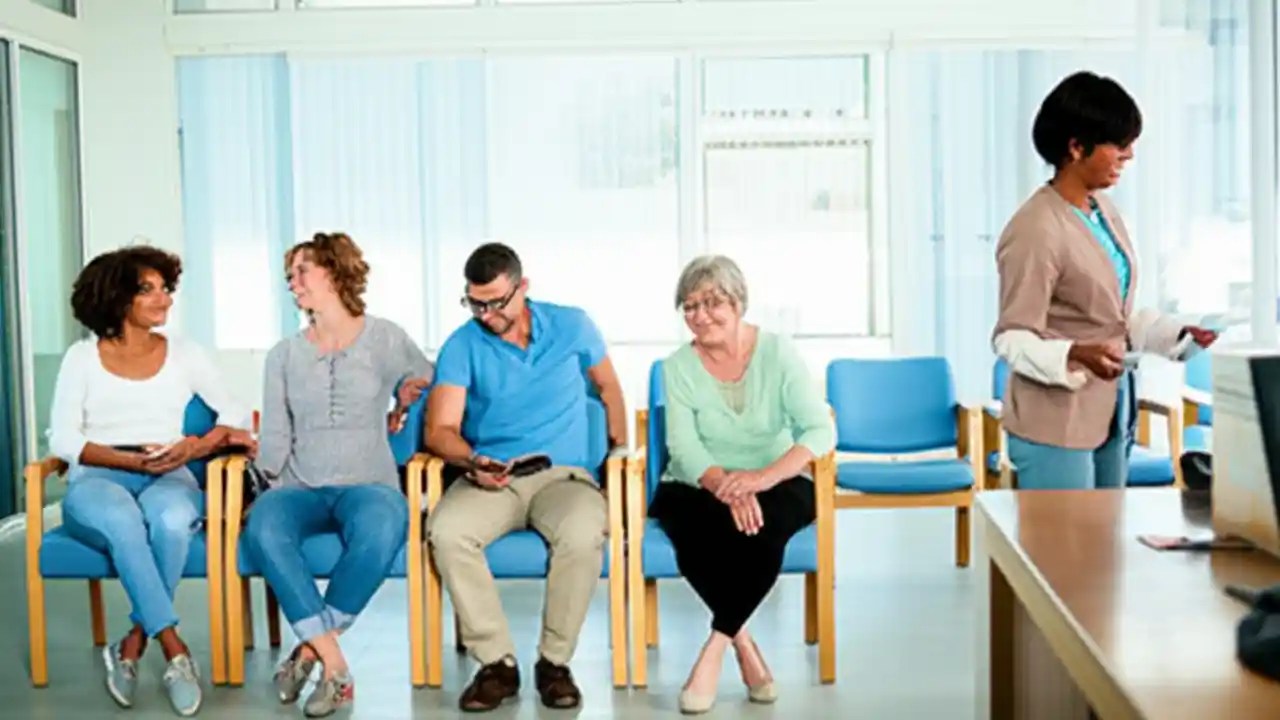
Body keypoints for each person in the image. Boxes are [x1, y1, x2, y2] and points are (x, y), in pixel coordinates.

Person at [49, 245, 253, 717]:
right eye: (148, 290)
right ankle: (174, 648)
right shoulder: (82, 358)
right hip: (99, 474)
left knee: (174, 516)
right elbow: (62, 438)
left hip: (168, 468)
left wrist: (193, 447)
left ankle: (132, 644)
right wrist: (130, 464)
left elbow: (233, 412)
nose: (163, 299)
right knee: (122, 521)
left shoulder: (185, 353)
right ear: (118, 299)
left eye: (165, 289)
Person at [425, 242, 627, 713]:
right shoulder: (462, 345)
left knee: (581, 533)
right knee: (448, 532)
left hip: (562, 477)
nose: (486, 313)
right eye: (476, 302)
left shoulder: (572, 325)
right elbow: (440, 430)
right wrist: (474, 462)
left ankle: (553, 664)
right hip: (492, 474)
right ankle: (497, 663)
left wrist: (617, 450)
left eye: (497, 302)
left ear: (524, 288)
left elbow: (609, 386)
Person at [993, 71, 1218, 490]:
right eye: (1118, 144)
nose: (1128, 155)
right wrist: (1074, 353)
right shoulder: (1035, 229)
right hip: (1055, 421)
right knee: (1061, 552)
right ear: (1076, 147)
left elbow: (1110, 313)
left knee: (1104, 549)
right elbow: (1011, 337)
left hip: (1111, 410)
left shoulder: (1103, 211)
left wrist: (1172, 333)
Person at [243, 232, 434, 719]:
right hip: (299, 485)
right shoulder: (282, 355)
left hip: (369, 482)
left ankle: (307, 651)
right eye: (289, 276)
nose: (293, 284)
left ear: (335, 272)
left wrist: (405, 401)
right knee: (264, 525)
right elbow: (276, 436)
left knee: (385, 524)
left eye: (302, 272)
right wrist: (257, 483)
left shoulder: (385, 337)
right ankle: (335, 666)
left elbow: (428, 378)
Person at [649, 255, 833, 714]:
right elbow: (684, 448)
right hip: (697, 483)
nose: (700, 316)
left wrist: (759, 479)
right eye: (689, 306)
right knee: (697, 535)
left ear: (739, 303)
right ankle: (744, 643)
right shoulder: (676, 367)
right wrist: (726, 486)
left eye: (712, 303)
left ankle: (714, 648)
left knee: (762, 532)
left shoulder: (777, 352)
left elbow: (818, 431)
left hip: (775, 477)